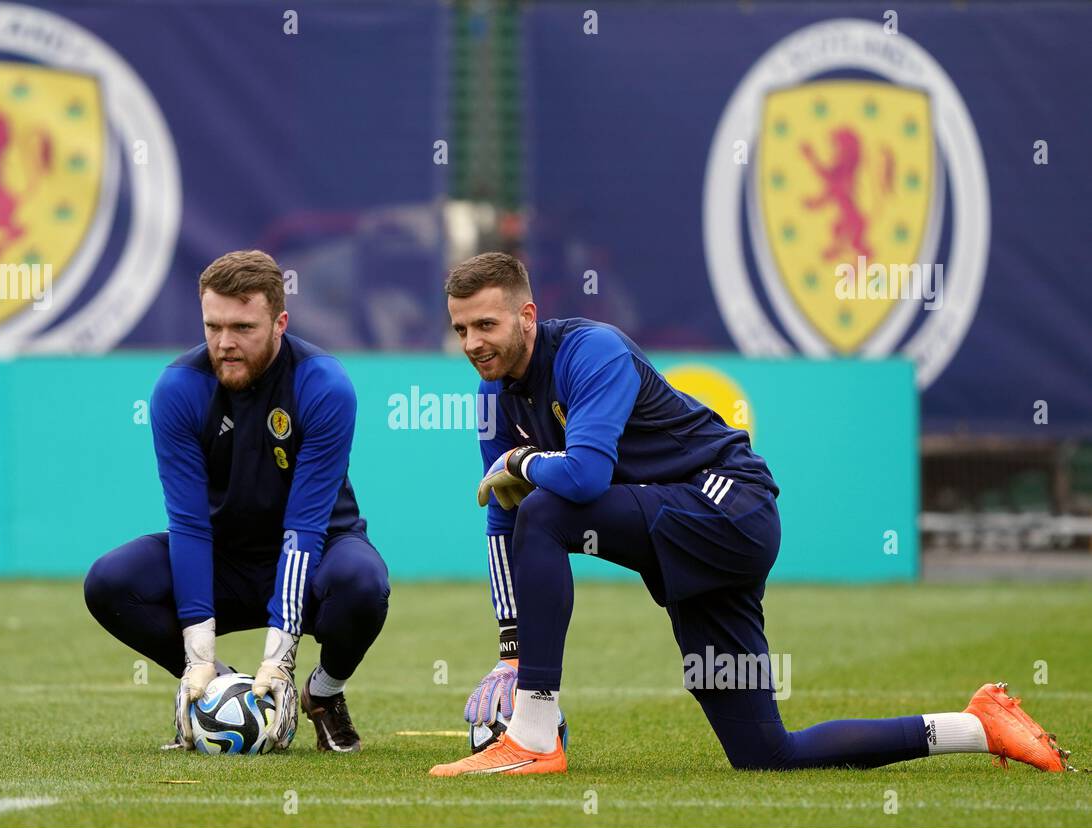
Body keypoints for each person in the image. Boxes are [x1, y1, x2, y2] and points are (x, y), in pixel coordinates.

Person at [429, 252, 1070, 776]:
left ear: (528, 315)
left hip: (729, 505)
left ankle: (535, 736)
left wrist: (522, 464)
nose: (472, 343)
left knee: (547, 511)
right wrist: (511, 651)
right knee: (765, 754)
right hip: (686, 534)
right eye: (461, 329)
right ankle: (978, 726)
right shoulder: (493, 397)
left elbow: (584, 476)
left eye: (486, 324)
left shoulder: (591, 352)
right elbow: (500, 522)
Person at [85, 250, 389, 753]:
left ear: (279, 323)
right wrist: (200, 658)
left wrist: (280, 659)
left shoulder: (323, 385)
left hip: (316, 556)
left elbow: (304, 527)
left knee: (363, 583)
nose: (225, 343)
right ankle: (223, 694)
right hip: (222, 559)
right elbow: (188, 525)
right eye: (213, 326)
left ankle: (323, 694)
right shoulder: (178, 389)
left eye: (243, 327)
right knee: (111, 582)